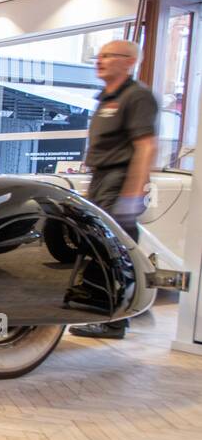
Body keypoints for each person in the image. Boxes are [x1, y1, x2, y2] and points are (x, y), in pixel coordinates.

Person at [69, 39, 159, 340]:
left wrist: (132, 196)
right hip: (101, 179)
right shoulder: (106, 97)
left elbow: (146, 147)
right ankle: (109, 309)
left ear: (129, 61)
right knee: (97, 245)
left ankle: (115, 320)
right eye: (100, 55)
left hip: (120, 179)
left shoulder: (137, 97)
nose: (100, 60)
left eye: (109, 56)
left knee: (114, 248)